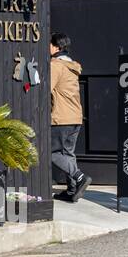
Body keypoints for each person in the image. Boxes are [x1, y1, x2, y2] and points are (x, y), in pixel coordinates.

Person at [50, 31, 90, 202]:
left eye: (50, 44)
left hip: (61, 118)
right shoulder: (72, 66)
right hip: (75, 117)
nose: (47, 47)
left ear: (57, 47)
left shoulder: (55, 66)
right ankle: (72, 189)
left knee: (50, 153)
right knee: (68, 154)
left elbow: (46, 88)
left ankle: (79, 177)